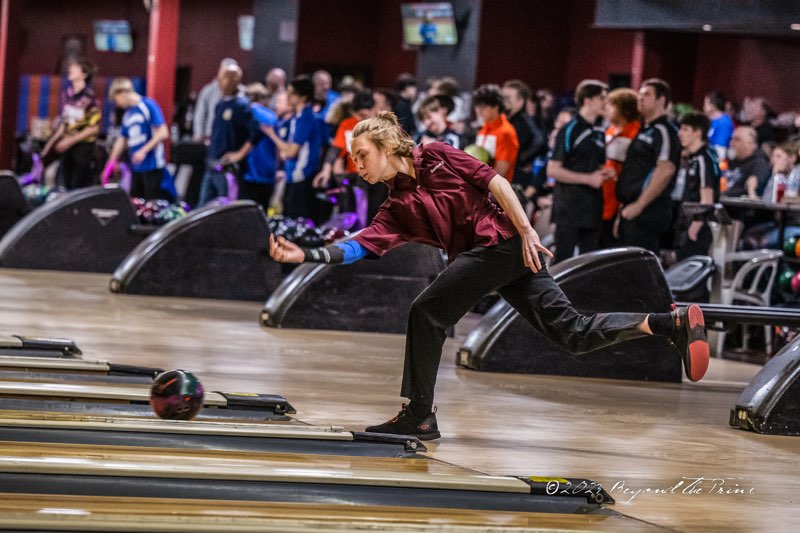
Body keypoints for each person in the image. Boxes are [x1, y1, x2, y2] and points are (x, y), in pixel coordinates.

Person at [268, 112, 710, 440]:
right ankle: (669, 323)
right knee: (572, 334)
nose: (357, 165)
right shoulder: (394, 207)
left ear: (388, 147)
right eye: (352, 158)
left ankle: (419, 413)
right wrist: (307, 253)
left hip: (504, 244)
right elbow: (358, 245)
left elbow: (496, 183)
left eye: (362, 155)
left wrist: (526, 230)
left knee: (427, 311)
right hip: (500, 256)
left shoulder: (437, 155)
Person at [547, 80, 610, 263]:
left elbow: (595, 166)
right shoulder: (569, 129)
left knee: (588, 262)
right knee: (563, 260)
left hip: (592, 207)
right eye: (602, 98)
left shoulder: (599, 131)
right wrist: (588, 179)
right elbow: (554, 169)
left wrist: (604, 173)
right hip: (569, 207)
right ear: (588, 100)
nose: (605, 102)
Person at [616, 78, 681, 254]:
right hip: (631, 209)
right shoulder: (645, 129)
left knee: (638, 269)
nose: (640, 98)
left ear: (661, 100)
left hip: (648, 211)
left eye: (646, 94)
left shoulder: (664, 130)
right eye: (640, 94)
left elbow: (666, 170)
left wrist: (639, 205)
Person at [103, 78, 171, 200]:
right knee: (135, 205)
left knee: (151, 206)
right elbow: (122, 139)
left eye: (116, 99)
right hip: (136, 167)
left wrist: (143, 151)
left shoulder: (148, 105)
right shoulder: (128, 114)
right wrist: (109, 164)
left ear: (122, 93)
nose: (117, 103)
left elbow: (163, 132)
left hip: (152, 166)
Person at [197, 64, 253, 207]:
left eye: (223, 78)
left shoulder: (241, 105)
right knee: (202, 207)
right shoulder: (221, 104)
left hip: (227, 169)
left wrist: (239, 154)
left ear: (234, 79)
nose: (219, 82)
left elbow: (256, 132)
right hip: (211, 164)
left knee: (225, 209)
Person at [42, 56, 101, 190]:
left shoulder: (90, 98)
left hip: (83, 147)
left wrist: (70, 141)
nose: (70, 70)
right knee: (64, 184)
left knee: (78, 185)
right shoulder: (67, 95)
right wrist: (49, 145)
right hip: (67, 145)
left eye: (75, 68)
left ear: (84, 74)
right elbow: (65, 123)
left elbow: (93, 129)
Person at [672, 112, 720, 260]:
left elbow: (707, 198)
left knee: (692, 274)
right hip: (683, 224)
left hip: (696, 227)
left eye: (685, 129)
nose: (680, 134)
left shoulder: (704, 158)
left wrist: (695, 227)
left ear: (698, 133)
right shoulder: (691, 158)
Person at [601, 88, 640, 248]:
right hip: (602, 193)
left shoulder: (635, 131)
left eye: (611, 106)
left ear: (623, 108)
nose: (606, 109)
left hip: (619, 196)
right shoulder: (609, 130)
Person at [472, 84, 519, 182]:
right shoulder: (483, 129)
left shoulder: (506, 132)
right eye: (477, 106)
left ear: (496, 106)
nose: (479, 111)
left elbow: (501, 171)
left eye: (484, 107)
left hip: (495, 190)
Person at [193, 58, 239, 142]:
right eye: (226, 74)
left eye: (232, 75)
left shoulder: (241, 94)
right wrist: (199, 134)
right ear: (220, 72)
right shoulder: (209, 90)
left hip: (234, 137)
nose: (229, 79)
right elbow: (200, 113)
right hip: (211, 136)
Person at [723, 126, 771, 199]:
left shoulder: (759, 164)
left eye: (737, 139)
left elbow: (750, 189)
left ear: (750, 144)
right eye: (731, 139)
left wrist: (724, 193)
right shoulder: (731, 161)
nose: (731, 143)